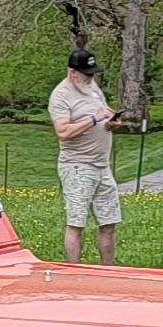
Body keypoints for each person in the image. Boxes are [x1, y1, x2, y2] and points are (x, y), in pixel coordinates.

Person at [48, 49, 123, 264]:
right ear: (73, 72)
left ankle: (107, 271)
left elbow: (103, 112)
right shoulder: (61, 96)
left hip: (102, 165)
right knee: (76, 223)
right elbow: (62, 132)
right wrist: (92, 119)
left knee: (109, 223)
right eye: (86, 74)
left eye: (93, 74)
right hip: (77, 166)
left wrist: (110, 122)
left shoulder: (92, 88)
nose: (91, 78)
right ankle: (75, 271)